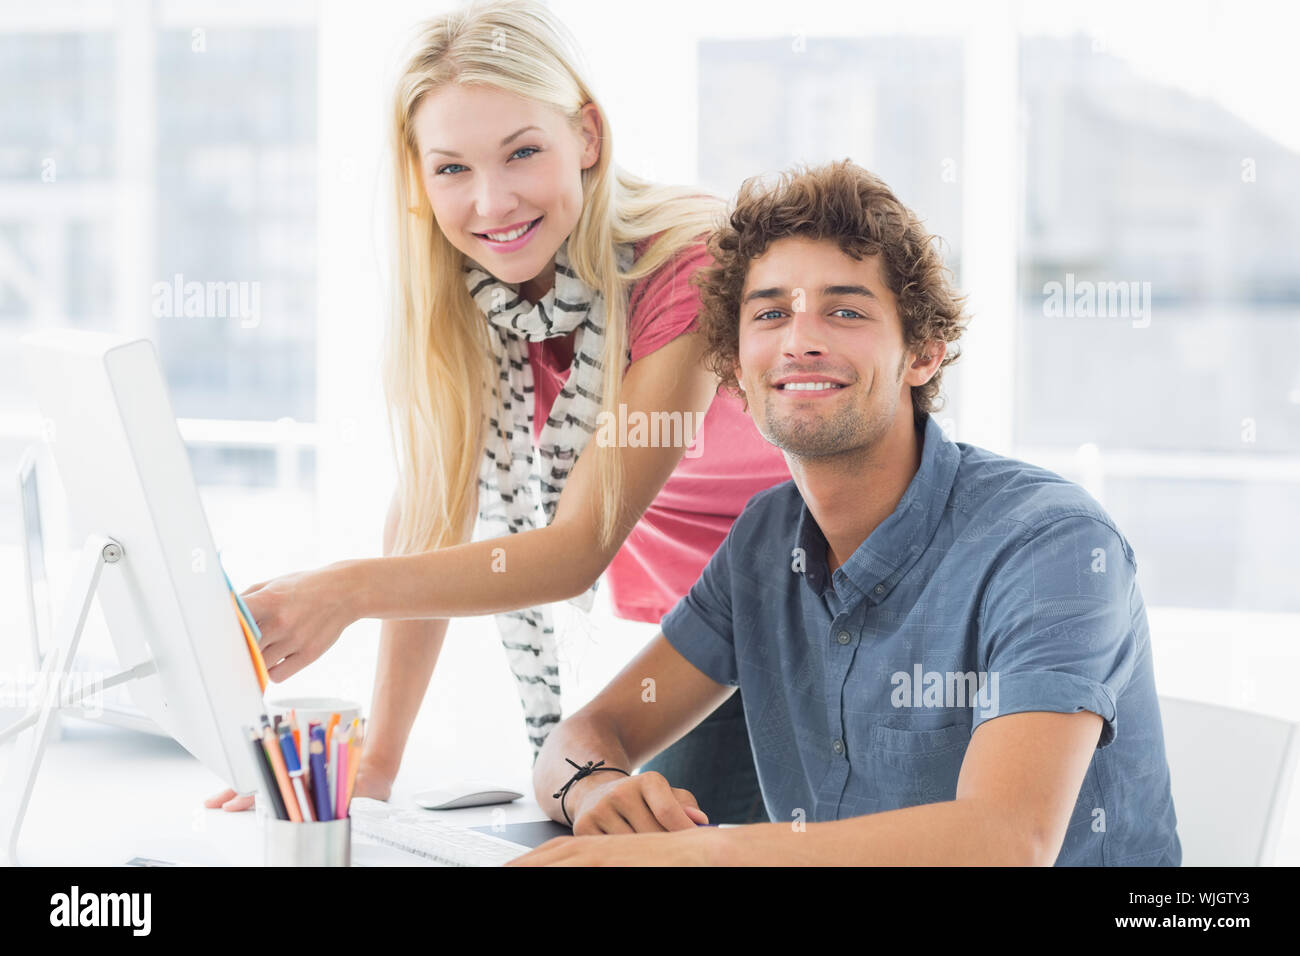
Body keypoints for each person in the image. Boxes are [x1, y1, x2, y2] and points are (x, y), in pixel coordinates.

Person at [204, 0, 787, 822]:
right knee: (611, 821)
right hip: (716, 630)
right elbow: (434, 514)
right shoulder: (473, 294)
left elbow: (578, 547)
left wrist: (339, 592)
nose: (493, 203)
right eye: (451, 169)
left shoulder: (684, 266)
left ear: (586, 136)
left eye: (522, 153)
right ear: (420, 177)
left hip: (831, 605)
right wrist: (375, 764)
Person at [509, 159, 1182, 865]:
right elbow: (585, 734)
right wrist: (593, 790)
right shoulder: (766, 543)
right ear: (735, 367)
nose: (800, 340)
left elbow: (1005, 843)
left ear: (922, 353)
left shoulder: (1052, 544)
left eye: (846, 310)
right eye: (770, 313)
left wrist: (695, 855)